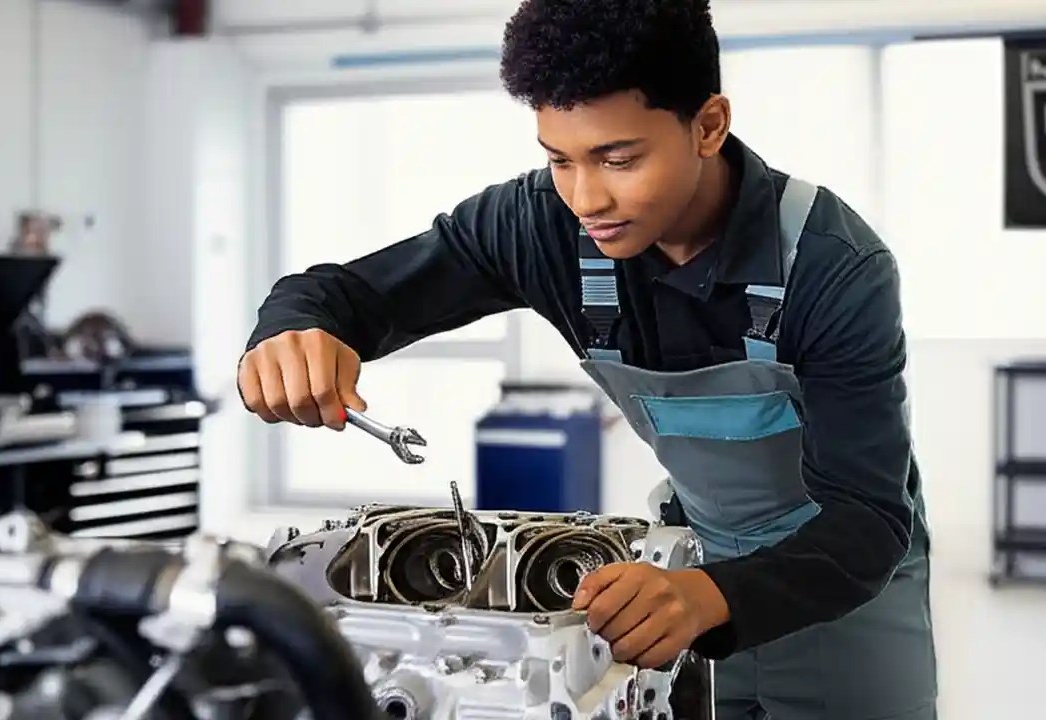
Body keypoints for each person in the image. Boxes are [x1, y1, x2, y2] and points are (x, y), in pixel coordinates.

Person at [238, 0, 937, 717]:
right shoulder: (541, 224)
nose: (585, 197)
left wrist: (714, 597)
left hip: (844, 584)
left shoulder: (833, 265)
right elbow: (347, 295)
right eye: (559, 159)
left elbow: (867, 517)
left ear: (708, 126)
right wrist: (292, 330)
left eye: (619, 158)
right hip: (690, 565)